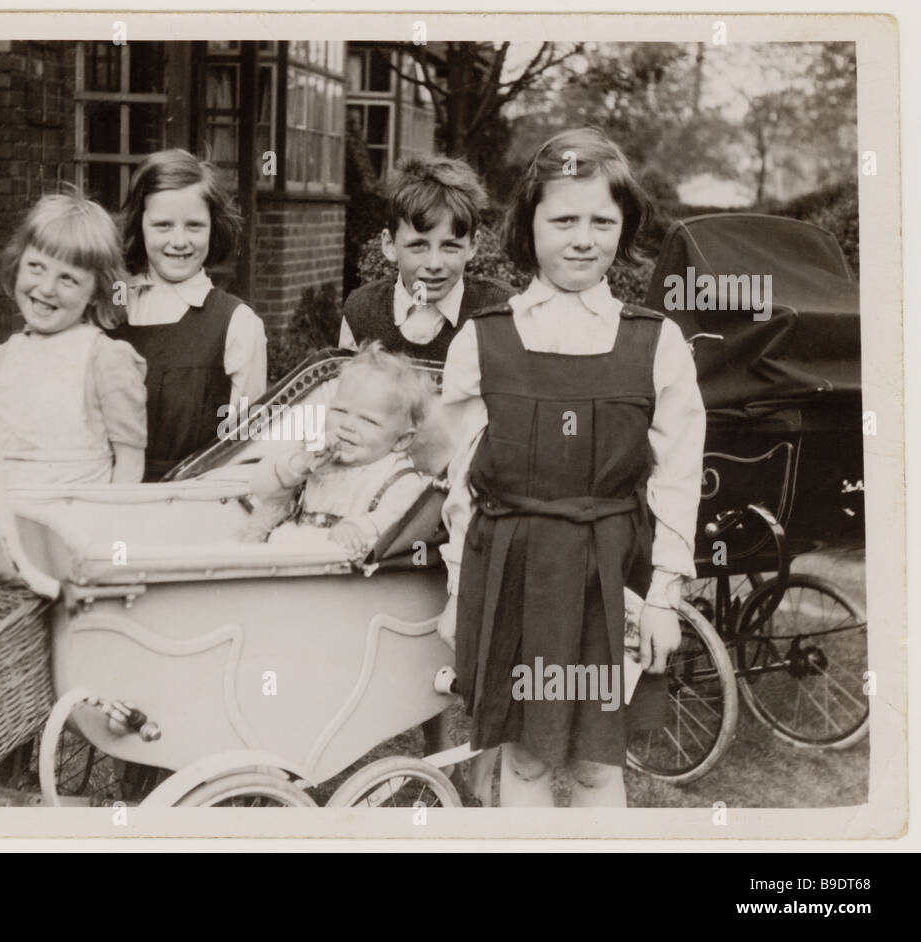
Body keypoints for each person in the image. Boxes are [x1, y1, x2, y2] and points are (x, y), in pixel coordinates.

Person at [438, 128, 705, 807]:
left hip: (611, 580)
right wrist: (457, 591)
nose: (582, 238)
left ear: (625, 228)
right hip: (514, 571)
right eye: (563, 219)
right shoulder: (483, 338)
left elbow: (676, 476)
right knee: (523, 759)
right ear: (529, 226)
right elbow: (461, 484)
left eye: (601, 221)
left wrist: (666, 598)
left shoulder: (657, 342)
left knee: (596, 764)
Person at [0, 192, 147, 489]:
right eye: (36, 267)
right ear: (17, 265)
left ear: (95, 291)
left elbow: (129, 466)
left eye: (68, 279)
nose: (47, 288)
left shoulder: (105, 359)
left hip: (73, 523)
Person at [113, 149, 267, 482]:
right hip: (105, 497)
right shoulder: (112, 308)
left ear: (214, 227)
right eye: (163, 225)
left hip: (190, 504)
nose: (179, 241)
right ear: (140, 224)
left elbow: (245, 447)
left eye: (194, 226)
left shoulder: (236, 324)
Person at [242, 343, 429, 557]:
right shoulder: (313, 456)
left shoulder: (399, 479)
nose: (347, 425)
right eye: (339, 410)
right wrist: (299, 464)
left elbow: (402, 517)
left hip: (341, 575)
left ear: (402, 440)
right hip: (289, 554)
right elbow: (260, 488)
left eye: (367, 420)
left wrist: (361, 527)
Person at [339, 154, 514, 360]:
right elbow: (346, 387)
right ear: (389, 245)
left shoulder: (500, 310)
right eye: (418, 245)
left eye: (450, 246)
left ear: (472, 245)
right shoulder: (362, 311)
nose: (434, 264)